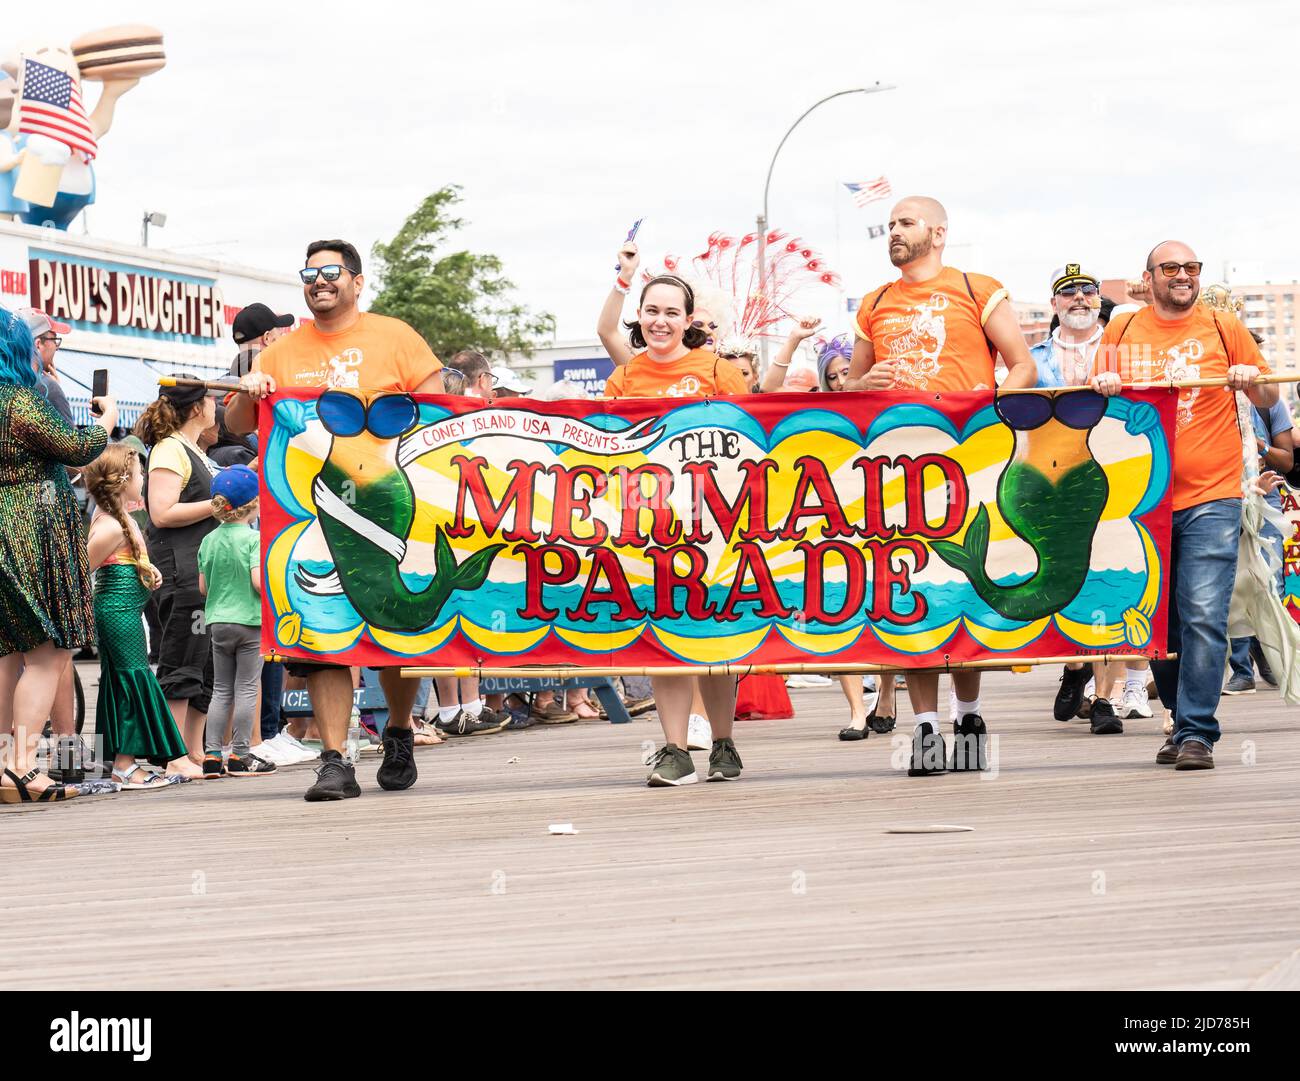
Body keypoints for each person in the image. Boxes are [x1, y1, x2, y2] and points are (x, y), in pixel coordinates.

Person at [229, 238, 446, 801]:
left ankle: (398, 730)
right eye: (309, 272)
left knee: (395, 622)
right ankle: (335, 760)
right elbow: (234, 422)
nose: (319, 280)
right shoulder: (281, 349)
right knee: (322, 630)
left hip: (391, 502)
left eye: (331, 271)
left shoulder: (396, 337)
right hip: (308, 508)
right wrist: (251, 383)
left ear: (356, 280)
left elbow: (442, 414)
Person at [843, 195, 1037, 776]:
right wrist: (859, 385)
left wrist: (991, 408)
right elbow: (850, 384)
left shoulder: (978, 289)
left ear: (939, 231)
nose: (894, 232)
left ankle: (969, 713)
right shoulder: (874, 301)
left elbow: (1023, 365)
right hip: (898, 473)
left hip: (966, 466)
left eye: (906, 223)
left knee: (963, 586)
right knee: (915, 596)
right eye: (892, 225)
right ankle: (925, 729)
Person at [1092, 242, 1275, 771]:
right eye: (1170, 268)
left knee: (1202, 614)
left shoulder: (1223, 326)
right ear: (1147, 278)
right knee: (1159, 621)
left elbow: (1266, 397)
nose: (1182, 276)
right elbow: (1092, 400)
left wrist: (1250, 380)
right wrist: (1102, 384)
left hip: (1212, 494)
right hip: (1142, 498)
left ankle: (1198, 732)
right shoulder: (1122, 330)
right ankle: (1178, 716)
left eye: (1191, 268)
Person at [603, 274, 748, 785]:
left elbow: (752, 441)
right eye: (652, 311)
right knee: (664, 635)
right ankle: (674, 749)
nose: (660, 321)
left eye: (671, 312)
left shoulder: (718, 371)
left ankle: (725, 743)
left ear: (689, 321)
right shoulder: (624, 379)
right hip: (650, 528)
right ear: (639, 317)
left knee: (717, 639)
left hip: (718, 525)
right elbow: (607, 453)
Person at [0, 306, 115, 804]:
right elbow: (77, 447)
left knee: (9, 653)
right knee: (49, 653)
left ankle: (5, 761)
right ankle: (22, 765)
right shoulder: (18, 399)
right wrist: (106, 420)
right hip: (31, 527)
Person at [83, 444, 198, 788]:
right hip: (117, 612)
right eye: (139, 473)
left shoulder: (121, 520)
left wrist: (145, 570)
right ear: (123, 480)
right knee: (131, 679)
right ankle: (125, 764)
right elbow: (81, 569)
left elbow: (120, 562)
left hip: (125, 610)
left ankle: (123, 761)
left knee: (123, 680)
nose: (145, 478)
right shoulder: (111, 526)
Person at [136, 378, 223, 764]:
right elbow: (162, 511)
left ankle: (194, 750)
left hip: (203, 570)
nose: (215, 406)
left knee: (206, 661)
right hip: (180, 569)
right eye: (210, 400)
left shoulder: (194, 449)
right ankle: (172, 754)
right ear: (196, 409)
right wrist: (217, 506)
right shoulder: (170, 449)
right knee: (183, 656)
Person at [1224, 340, 1293, 694]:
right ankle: (1241, 670)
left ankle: (1273, 655)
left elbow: (1287, 461)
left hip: (1265, 501)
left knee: (1270, 581)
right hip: (1221, 499)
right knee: (1234, 582)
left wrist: (1258, 445)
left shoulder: (1269, 405)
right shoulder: (1212, 395)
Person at [198, 465, 276, 777]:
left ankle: (212, 755)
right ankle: (241, 754)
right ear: (254, 505)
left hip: (218, 621)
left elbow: (203, 588)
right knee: (246, 687)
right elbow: (259, 583)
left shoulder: (208, 541)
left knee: (220, 688)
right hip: (250, 622)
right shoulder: (254, 540)